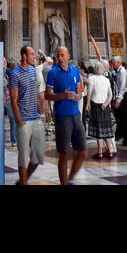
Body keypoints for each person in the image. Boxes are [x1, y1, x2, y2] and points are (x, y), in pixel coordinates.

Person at [43, 45, 86, 184]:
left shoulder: (75, 71)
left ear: (68, 56)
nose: (59, 58)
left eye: (62, 55)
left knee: (83, 151)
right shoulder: (53, 72)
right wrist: (61, 95)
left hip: (76, 114)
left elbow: (80, 90)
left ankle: (70, 178)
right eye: (58, 56)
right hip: (62, 116)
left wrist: (77, 96)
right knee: (63, 153)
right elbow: (47, 95)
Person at [8, 45, 47, 185]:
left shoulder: (32, 70)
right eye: (31, 54)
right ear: (24, 56)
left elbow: (35, 92)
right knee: (23, 156)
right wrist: (19, 120)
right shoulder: (15, 74)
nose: (34, 56)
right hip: (23, 120)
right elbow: (13, 99)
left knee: (39, 155)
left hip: (35, 118)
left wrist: (41, 111)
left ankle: (23, 180)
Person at [85, 60, 116, 158]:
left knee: (99, 129)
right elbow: (110, 95)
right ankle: (110, 150)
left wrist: (87, 104)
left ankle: (100, 152)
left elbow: (89, 93)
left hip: (95, 104)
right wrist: (106, 103)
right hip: (105, 106)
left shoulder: (92, 78)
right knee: (106, 128)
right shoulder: (106, 80)